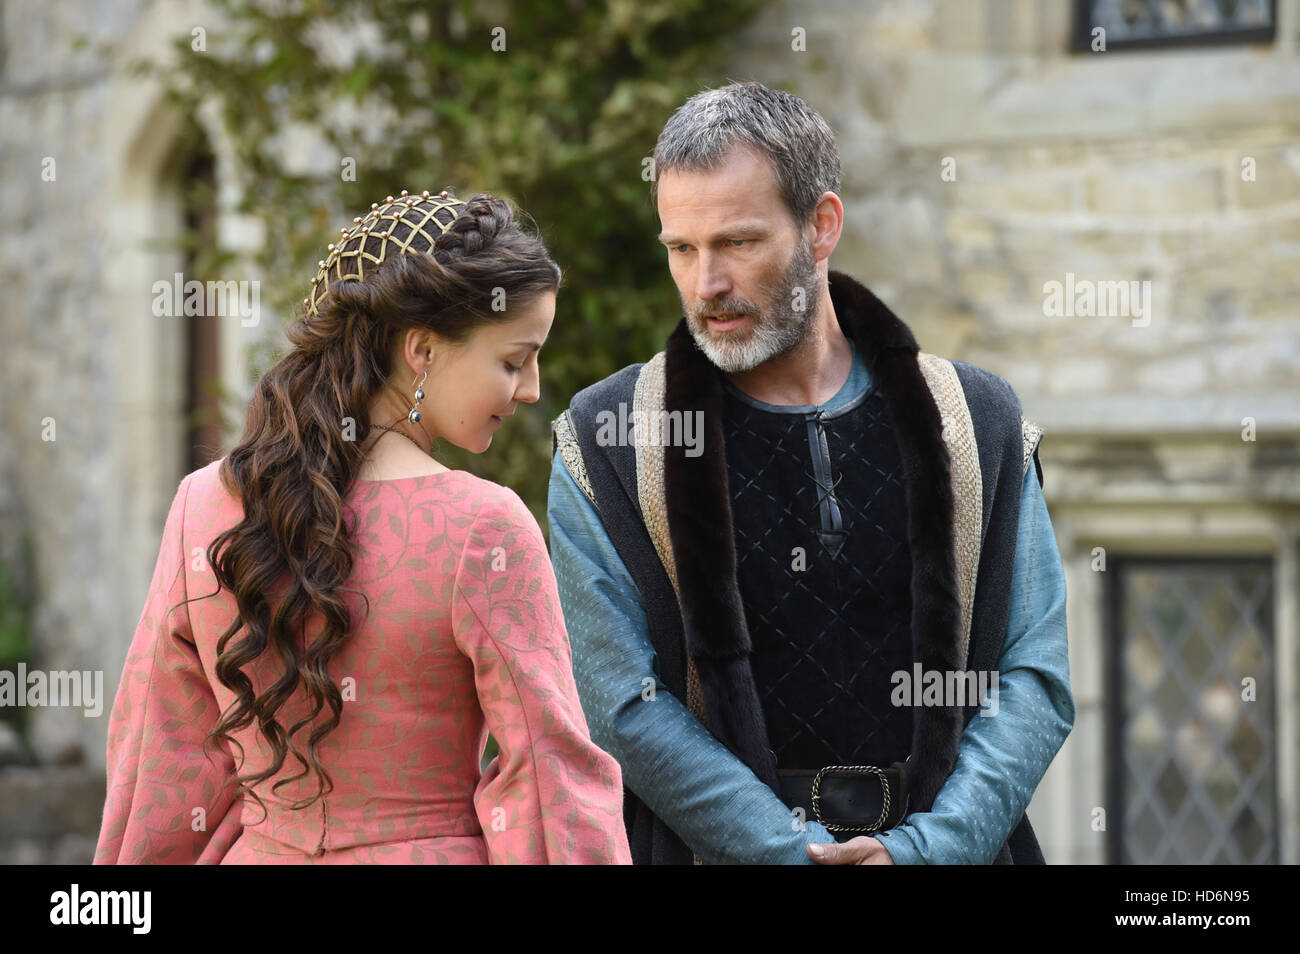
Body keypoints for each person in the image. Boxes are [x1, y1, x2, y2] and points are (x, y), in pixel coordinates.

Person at [547, 83, 1075, 865]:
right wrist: (786, 853)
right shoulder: (607, 441)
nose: (706, 285)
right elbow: (621, 707)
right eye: (681, 249)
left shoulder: (979, 420)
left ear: (821, 226)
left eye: (737, 243)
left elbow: (1034, 676)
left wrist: (926, 849)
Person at [95, 189, 631, 864]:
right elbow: (550, 775)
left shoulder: (205, 503)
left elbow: (162, 758)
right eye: (513, 360)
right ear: (423, 351)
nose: (529, 389)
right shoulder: (483, 527)